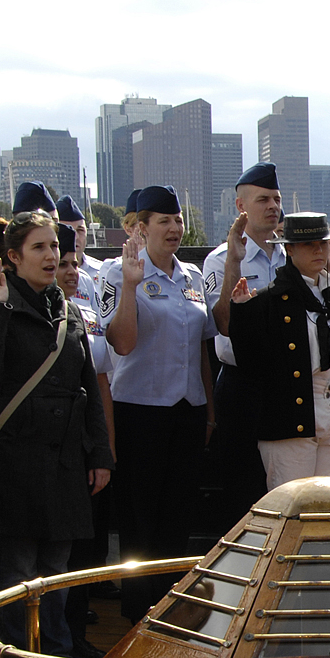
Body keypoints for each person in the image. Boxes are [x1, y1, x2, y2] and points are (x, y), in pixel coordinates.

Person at [0, 212, 112, 658]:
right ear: (13, 257)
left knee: (57, 571)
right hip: (18, 458)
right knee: (19, 570)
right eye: (40, 249)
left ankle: (56, 657)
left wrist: (100, 455)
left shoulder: (67, 310)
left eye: (55, 247)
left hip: (66, 458)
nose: (52, 257)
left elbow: (86, 386)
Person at [99, 185, 216, 619]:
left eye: (178, 220)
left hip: (186, 412)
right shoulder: (117, 273)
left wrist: (209, 410)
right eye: (164, 221)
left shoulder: (191, 277)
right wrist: (131, 286)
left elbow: (201, 349)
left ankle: (168, 602)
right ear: (141, 228)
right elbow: (122, 343)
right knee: (139, 516)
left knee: (177, 514)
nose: (174, 228)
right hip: (139, 411)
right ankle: (137, 608)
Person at [229, 211, 330, 488]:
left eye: (322, 243)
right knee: (295, 508)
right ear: (288, 249)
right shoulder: (269, 301)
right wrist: (243, 314)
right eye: (307, 244)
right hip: (292, 414)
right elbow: (251, 365)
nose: (318, 250)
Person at [203, 163, 285, 517]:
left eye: (276, 199)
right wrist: (235, 265)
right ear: (241, 206)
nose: (273, 206)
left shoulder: (291, 258)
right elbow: (223, 323)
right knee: (244, 489)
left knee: (285, 487)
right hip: (241, 387)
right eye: (263, 199)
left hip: (283, 383)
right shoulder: (219, 260)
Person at [56, 223, 116, 653]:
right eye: (61, 263)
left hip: (82, 446)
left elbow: (99, 383)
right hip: (42, 450)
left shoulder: (84, 309)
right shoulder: (12, 311)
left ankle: (72, 637)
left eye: (75, 262)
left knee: (78, 552)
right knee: (41, 559)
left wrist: (104, 447)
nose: (72, 271)